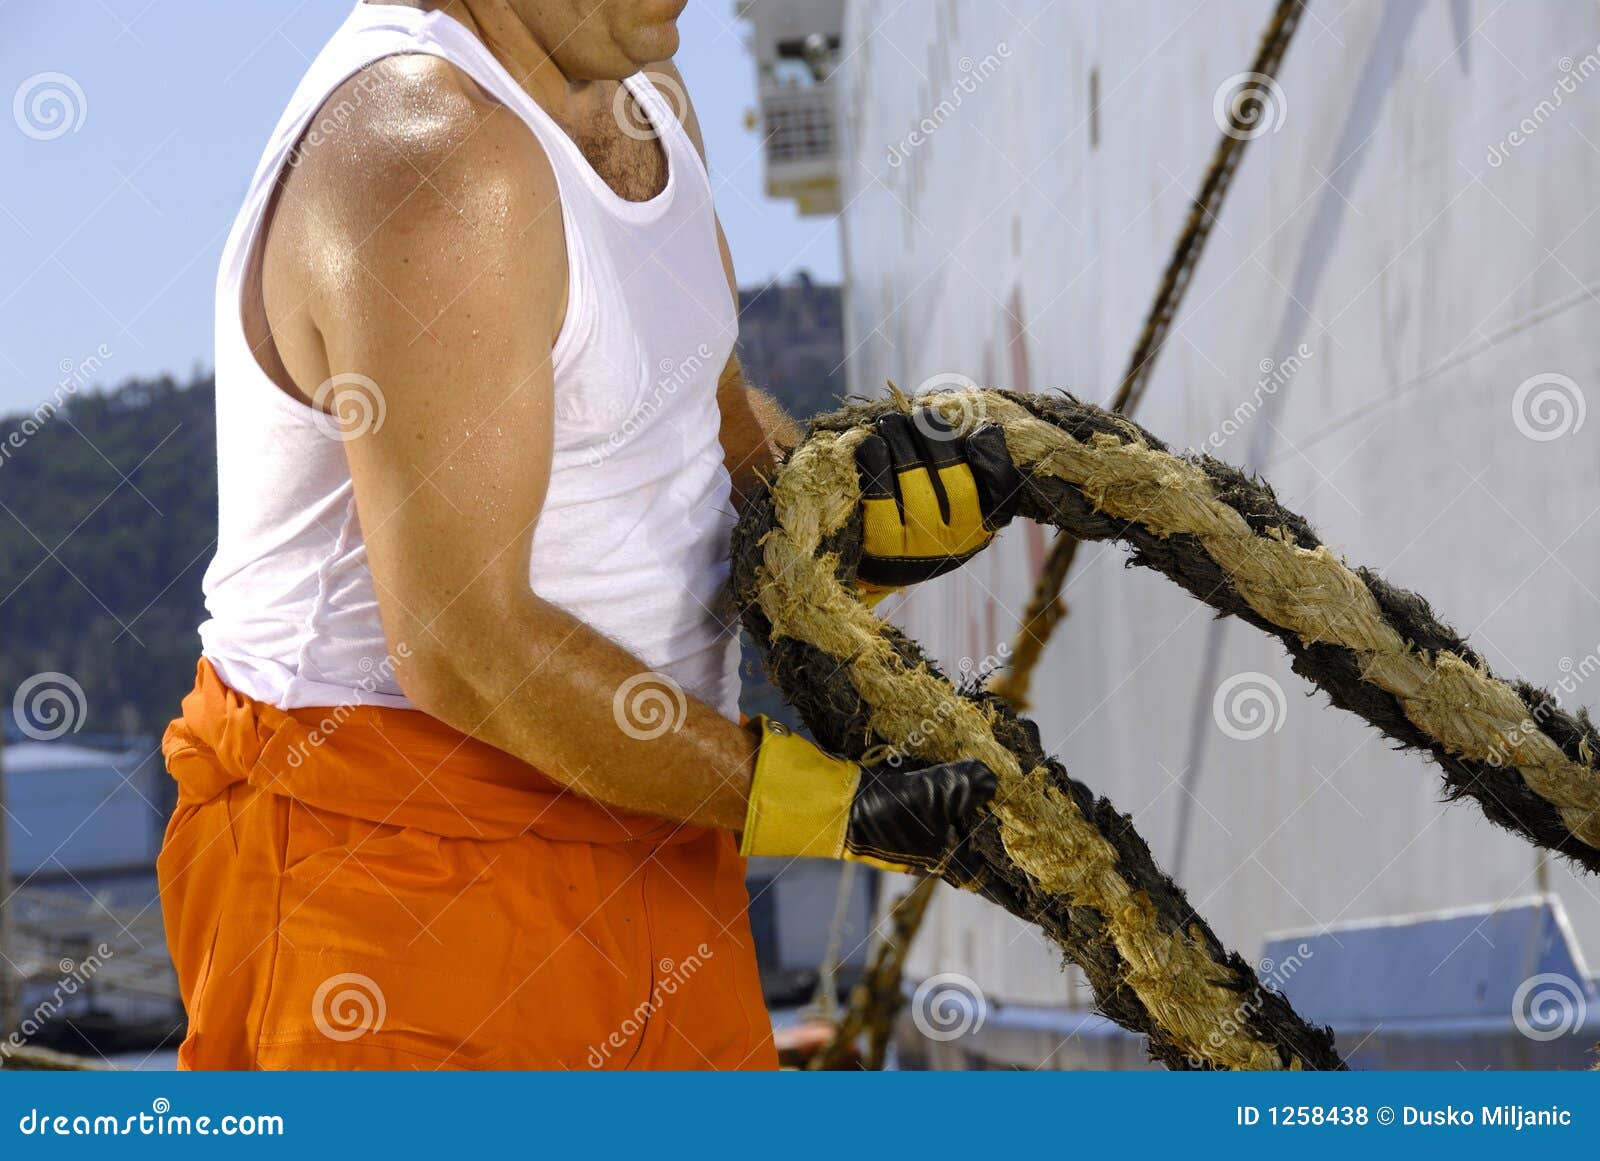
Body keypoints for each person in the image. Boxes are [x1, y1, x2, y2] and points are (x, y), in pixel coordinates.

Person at [158, 0, 1018, 1070]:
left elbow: (703, 421)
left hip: (660, 823)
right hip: (397, 874)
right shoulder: (428, 153)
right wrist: (814, 802)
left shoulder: (642, 98)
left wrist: (847, 528)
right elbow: (464, 645)